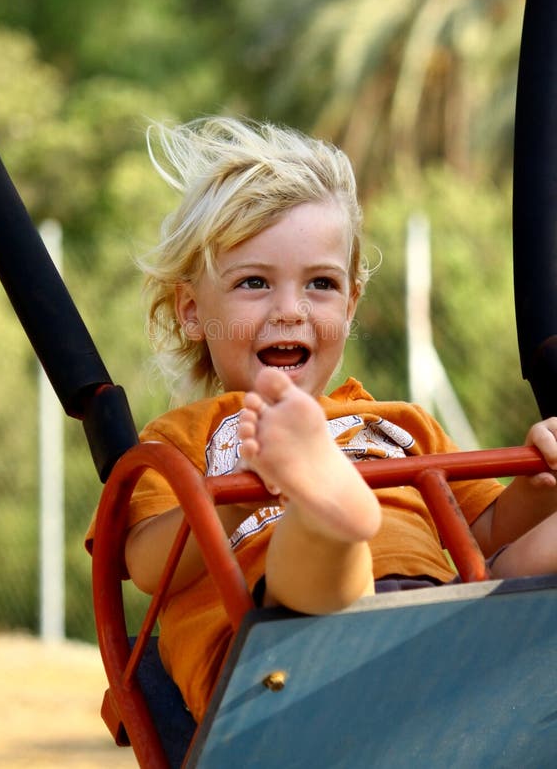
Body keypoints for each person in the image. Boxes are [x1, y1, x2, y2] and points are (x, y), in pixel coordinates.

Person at [86, 116, 557, 724]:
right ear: (192, 311)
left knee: (512, 565)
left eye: (321, 284)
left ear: (352, 302)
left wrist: (535, 487)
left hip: (445, 619)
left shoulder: (398, 425)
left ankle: (329, 507)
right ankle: (326, 514)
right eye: (254, 282)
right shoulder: (181, 439)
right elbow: (148, 568)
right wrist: (235, 498)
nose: (290, 310)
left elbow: (485, 531)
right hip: (279, 666)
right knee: (315, 575)